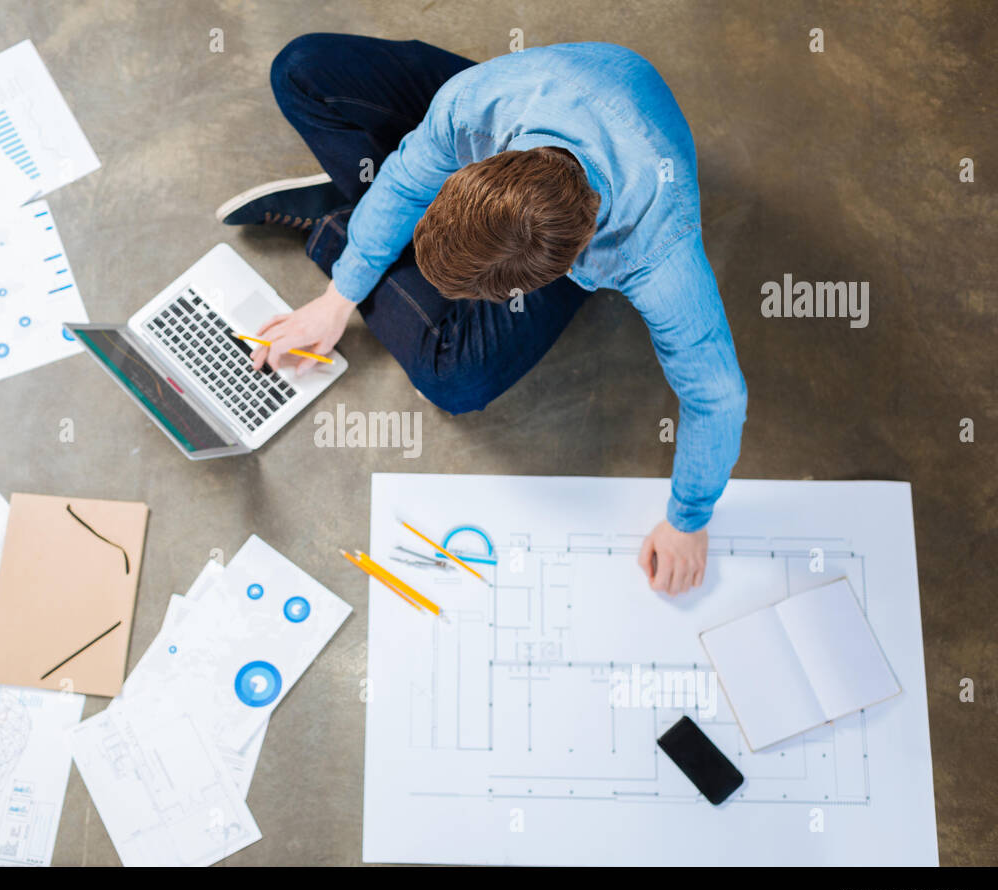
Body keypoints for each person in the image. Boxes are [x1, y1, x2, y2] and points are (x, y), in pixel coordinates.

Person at [216, 35, 748, 596]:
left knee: (456, 380)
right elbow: (403, 182)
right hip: (537, 102)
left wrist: (689, 520)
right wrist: (336, 301)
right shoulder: (472, 107)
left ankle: (340, 219)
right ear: (478, 169)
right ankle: (364, 229)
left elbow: (718, 396)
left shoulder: (659, 253)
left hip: (615, 188)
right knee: (302, 69)